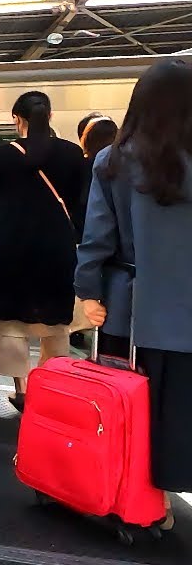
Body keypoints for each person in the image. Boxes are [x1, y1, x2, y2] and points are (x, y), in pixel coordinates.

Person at [76, 59, 192, 521]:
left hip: (134, 309)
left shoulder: (113, 161)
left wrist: (88, 291)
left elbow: (97, 236)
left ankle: (144, 503)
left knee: (133, 410)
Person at [0, 91, 85, 411]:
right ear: (50, 116)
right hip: (56, 243)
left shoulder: (1, 156)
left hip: (9, 243)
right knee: (55, 319)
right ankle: (48, 381)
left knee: (9, 318)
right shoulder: (72, 153)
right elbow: (79, 200)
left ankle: (21, 388)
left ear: (16, 118)